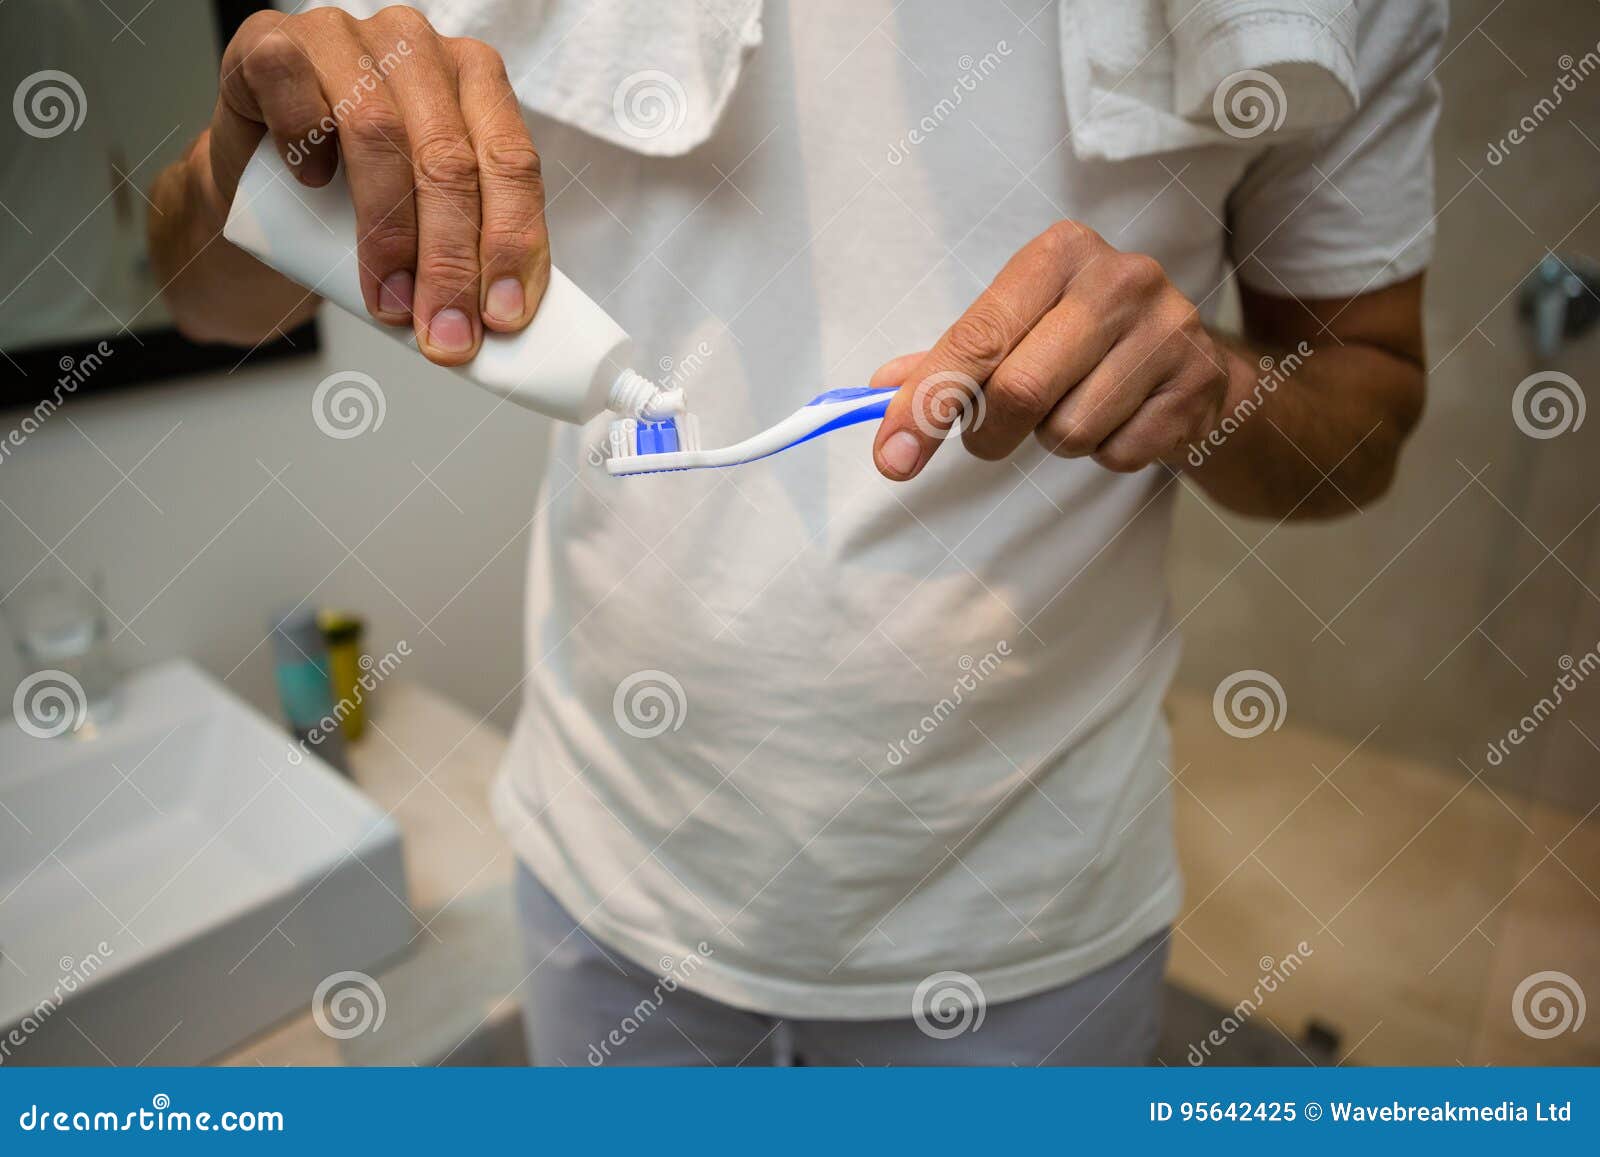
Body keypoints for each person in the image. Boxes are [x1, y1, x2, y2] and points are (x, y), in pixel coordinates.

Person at [149, 0, 1443, 1065]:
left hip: (1032, 927)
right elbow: (200, 296)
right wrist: (236, 166)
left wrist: (1218, 388)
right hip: (606, 889)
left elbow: (1367, 401)